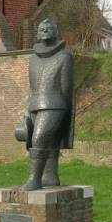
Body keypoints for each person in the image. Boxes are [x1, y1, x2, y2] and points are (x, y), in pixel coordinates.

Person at [20, 18, 74, 191]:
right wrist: (29, 108)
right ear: (37, 33)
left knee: (39, 138)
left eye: (49, 28)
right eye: (42, 28)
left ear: (56, 32)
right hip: (36, 103)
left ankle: (34, 179)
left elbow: (67, 86)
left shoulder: (65, 56)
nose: (45, 31)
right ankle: (50, 177)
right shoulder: (32, 59)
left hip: (56, 103)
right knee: (48, 142)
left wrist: (64, 112)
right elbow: (32, 85)